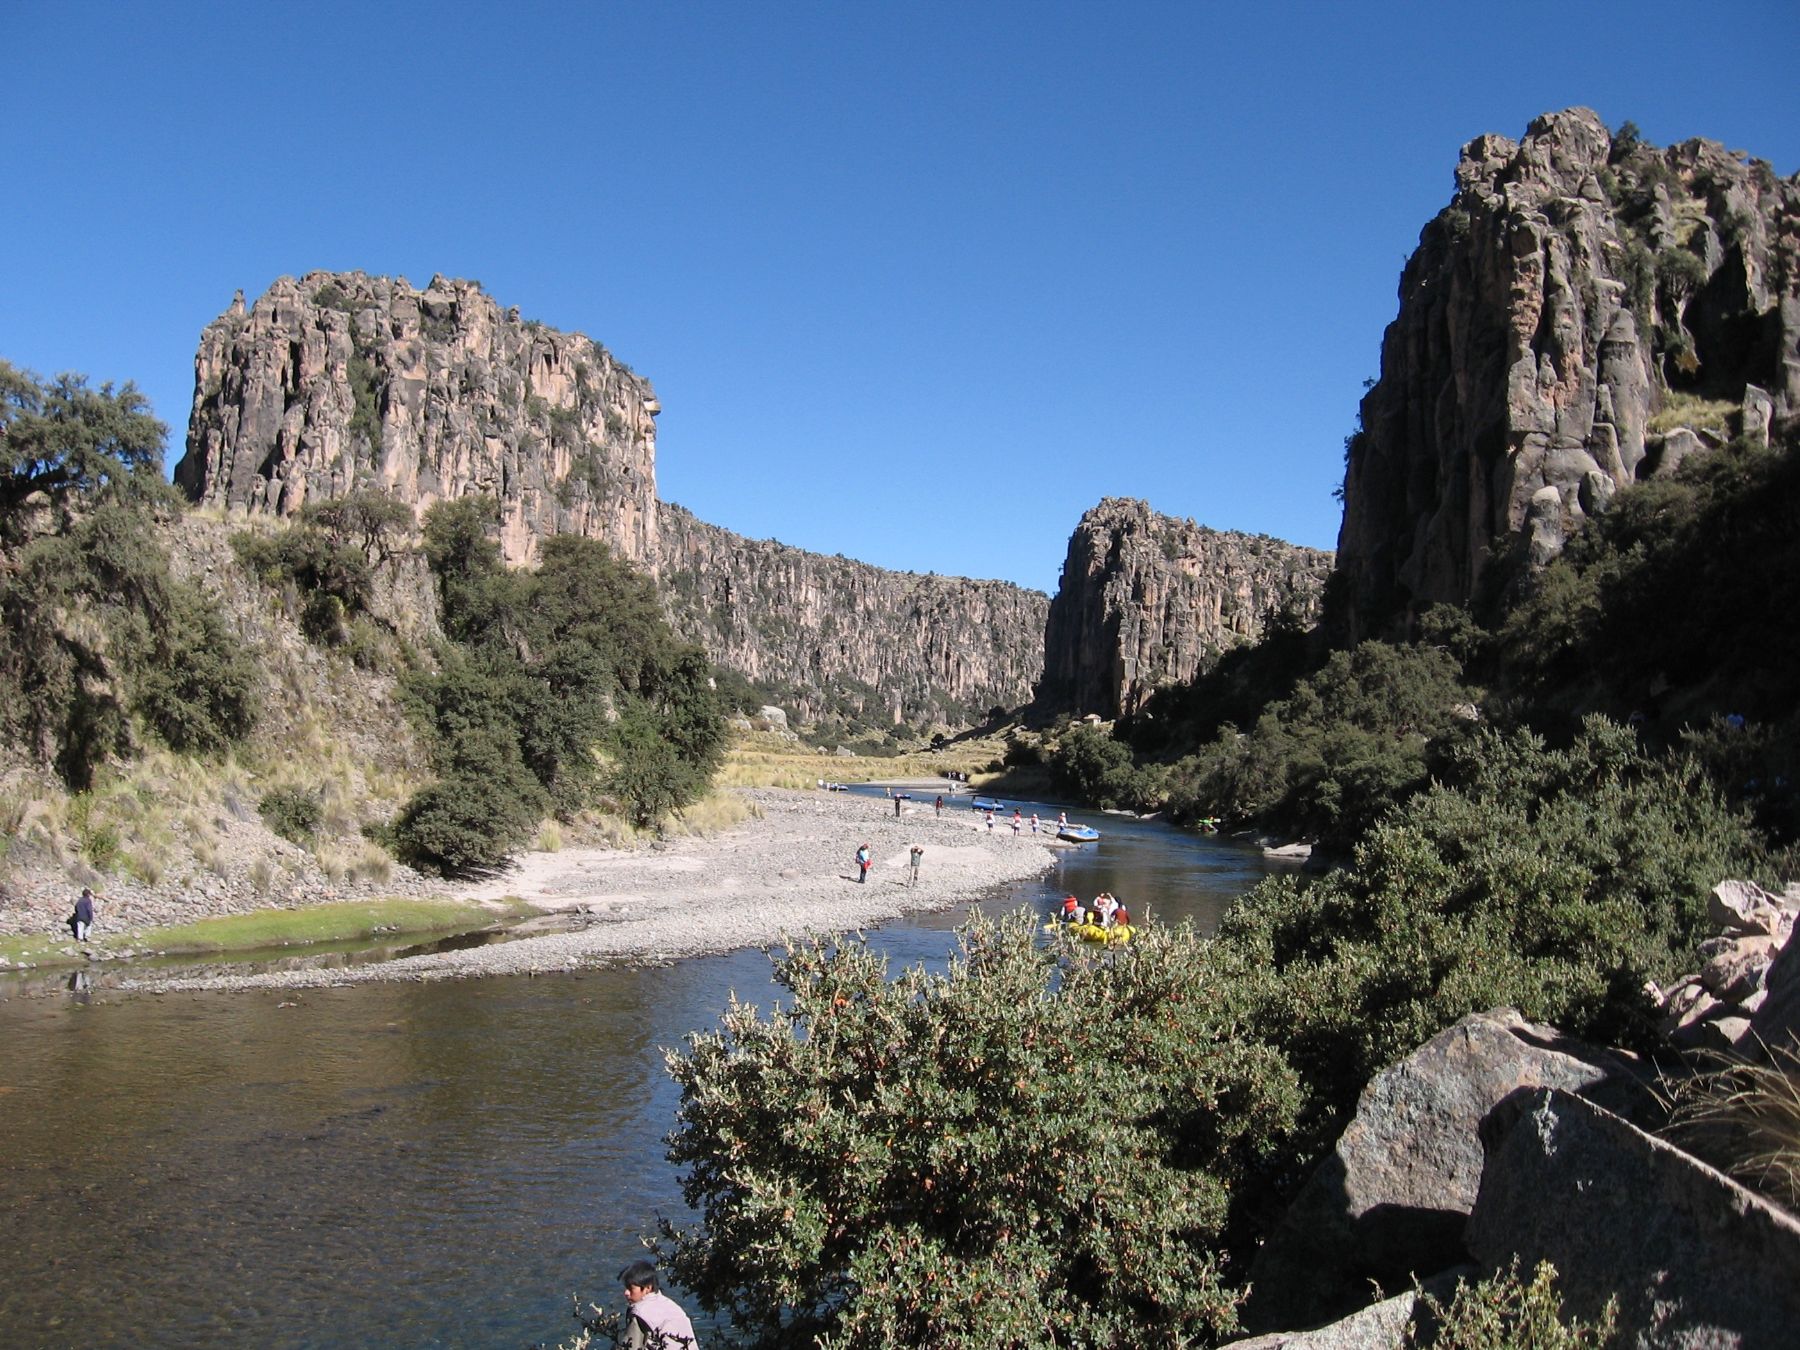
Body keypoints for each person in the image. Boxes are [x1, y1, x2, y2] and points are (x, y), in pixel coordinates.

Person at [616, 1259, 698, 1348]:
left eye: (631, 1288)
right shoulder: (671, 1306)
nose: (626, 1293)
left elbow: (631, 1347)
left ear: (648, 1288)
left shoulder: (639, 1312)